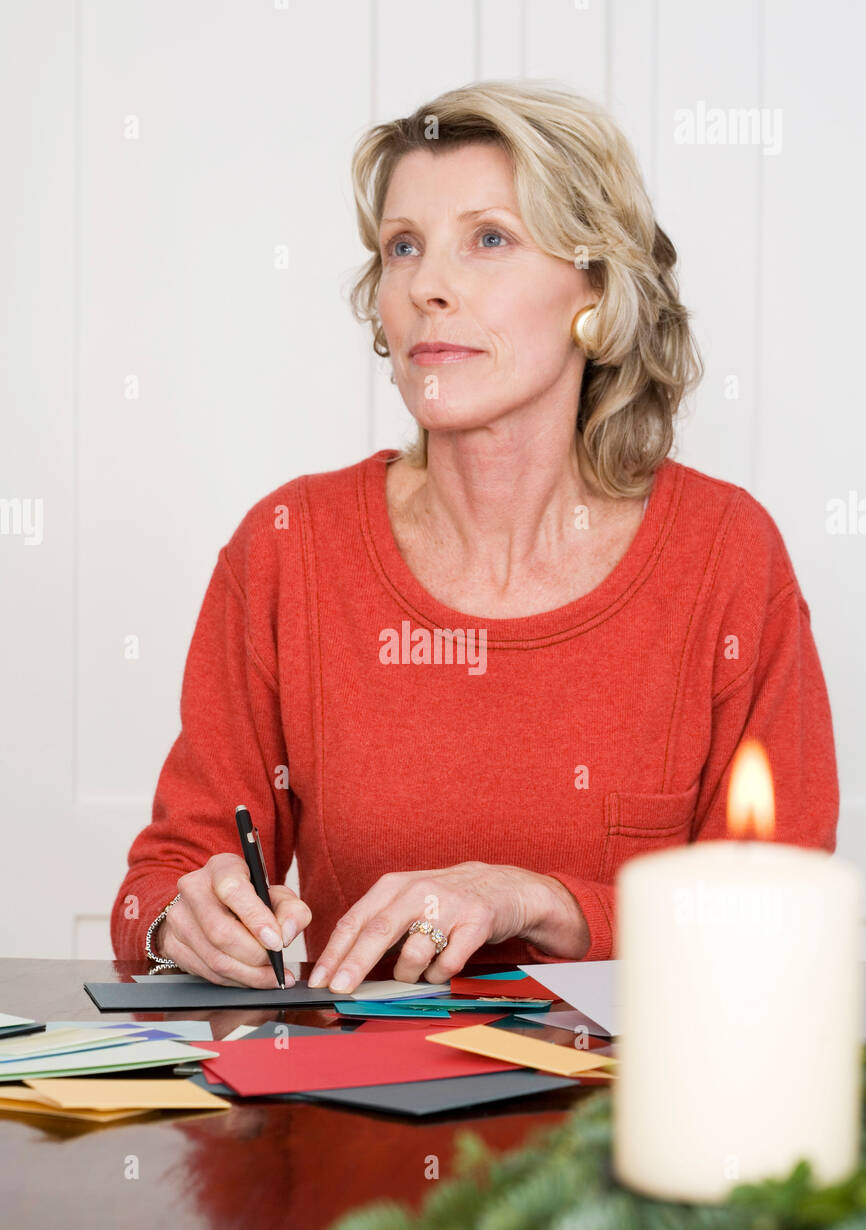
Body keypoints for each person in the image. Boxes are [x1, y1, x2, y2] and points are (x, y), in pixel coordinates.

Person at [110, 79, 838, 991]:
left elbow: (781, 917)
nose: (427, 287)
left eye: (488, 239)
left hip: (629, 1124)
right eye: (402, 248)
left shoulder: (726, 552)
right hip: (347, 1116)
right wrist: (183, 916)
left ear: (598, 290)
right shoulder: (288, 547)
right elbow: (157, 881)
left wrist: (541, 902)